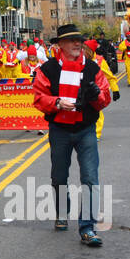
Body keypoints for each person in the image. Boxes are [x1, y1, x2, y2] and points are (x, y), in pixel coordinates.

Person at [31, 24, 112, 247]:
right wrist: (56, 102)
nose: (78, 43)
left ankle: (87, 228)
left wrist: (97, 96)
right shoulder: (47, 69)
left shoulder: (93, 68)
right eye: (72, 40)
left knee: (90, 178)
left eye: (79, 40)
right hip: (60, 130)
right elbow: (38, 98)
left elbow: (105, 99)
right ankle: (61, 211)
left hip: (86, 129)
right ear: (60, 45)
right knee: (59, 177)